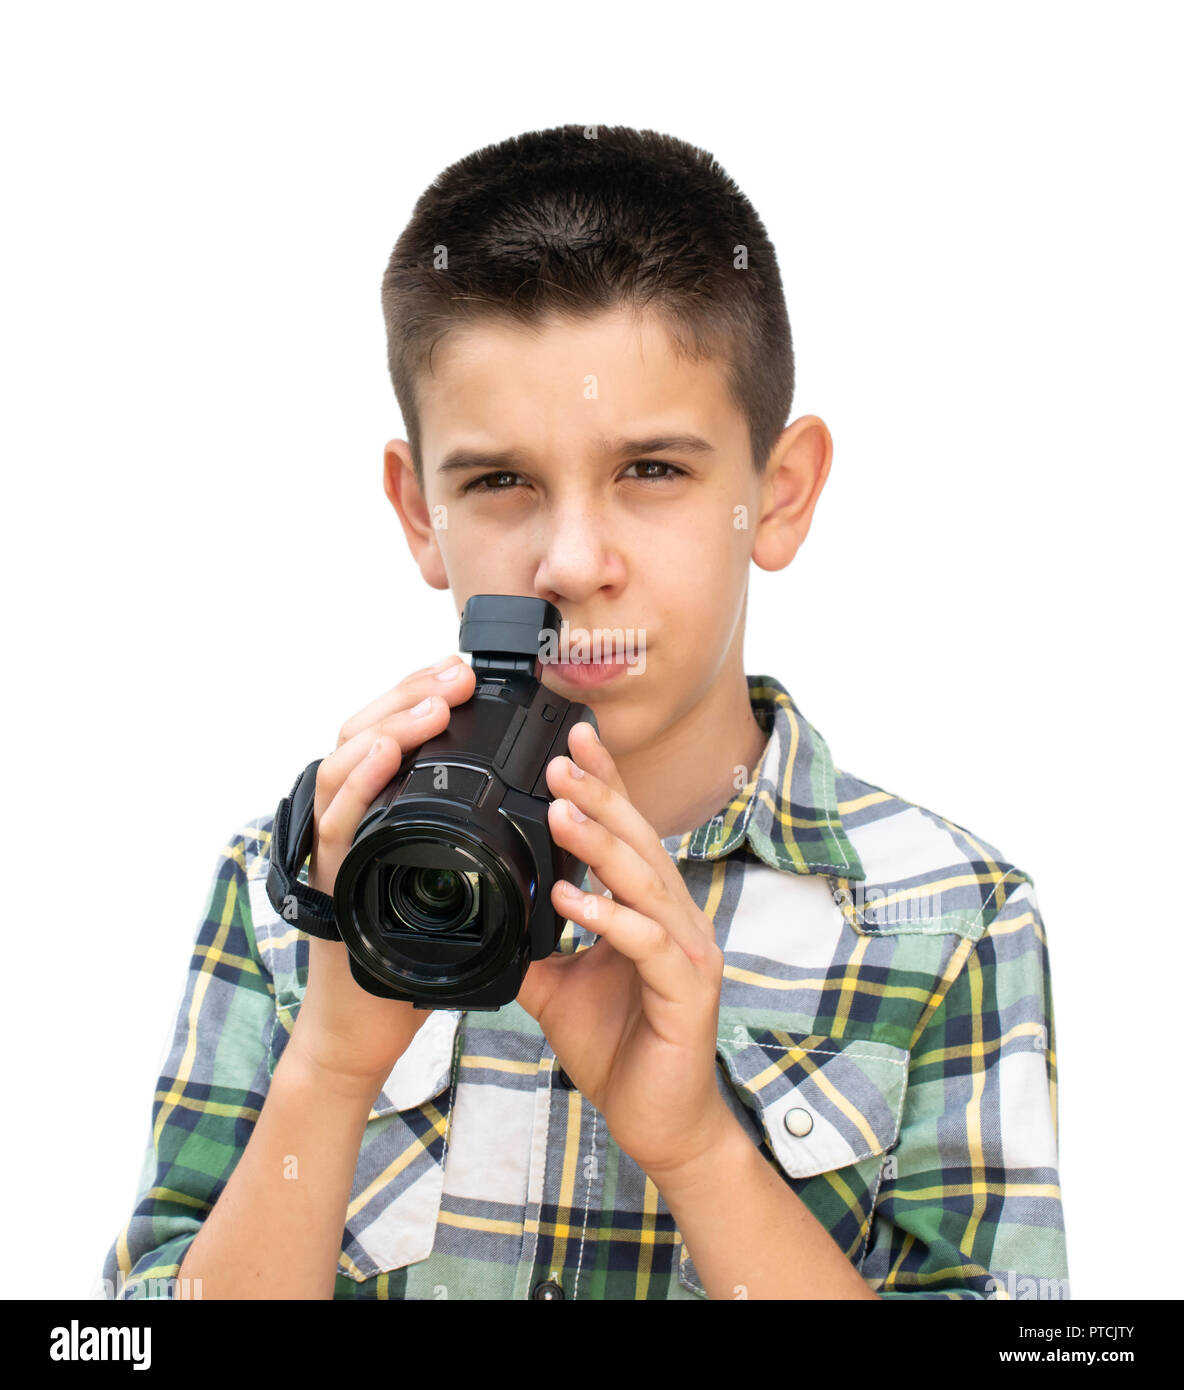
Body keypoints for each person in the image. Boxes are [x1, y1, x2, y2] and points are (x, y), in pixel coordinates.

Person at [99, 125, 1067, 1301]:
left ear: (776, 492)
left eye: (651, 470)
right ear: (419, 512)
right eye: (499, 480)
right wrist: (329, 1068)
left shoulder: (947, 916)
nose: (569, 561)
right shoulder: (297, 875)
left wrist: (700, 1150)